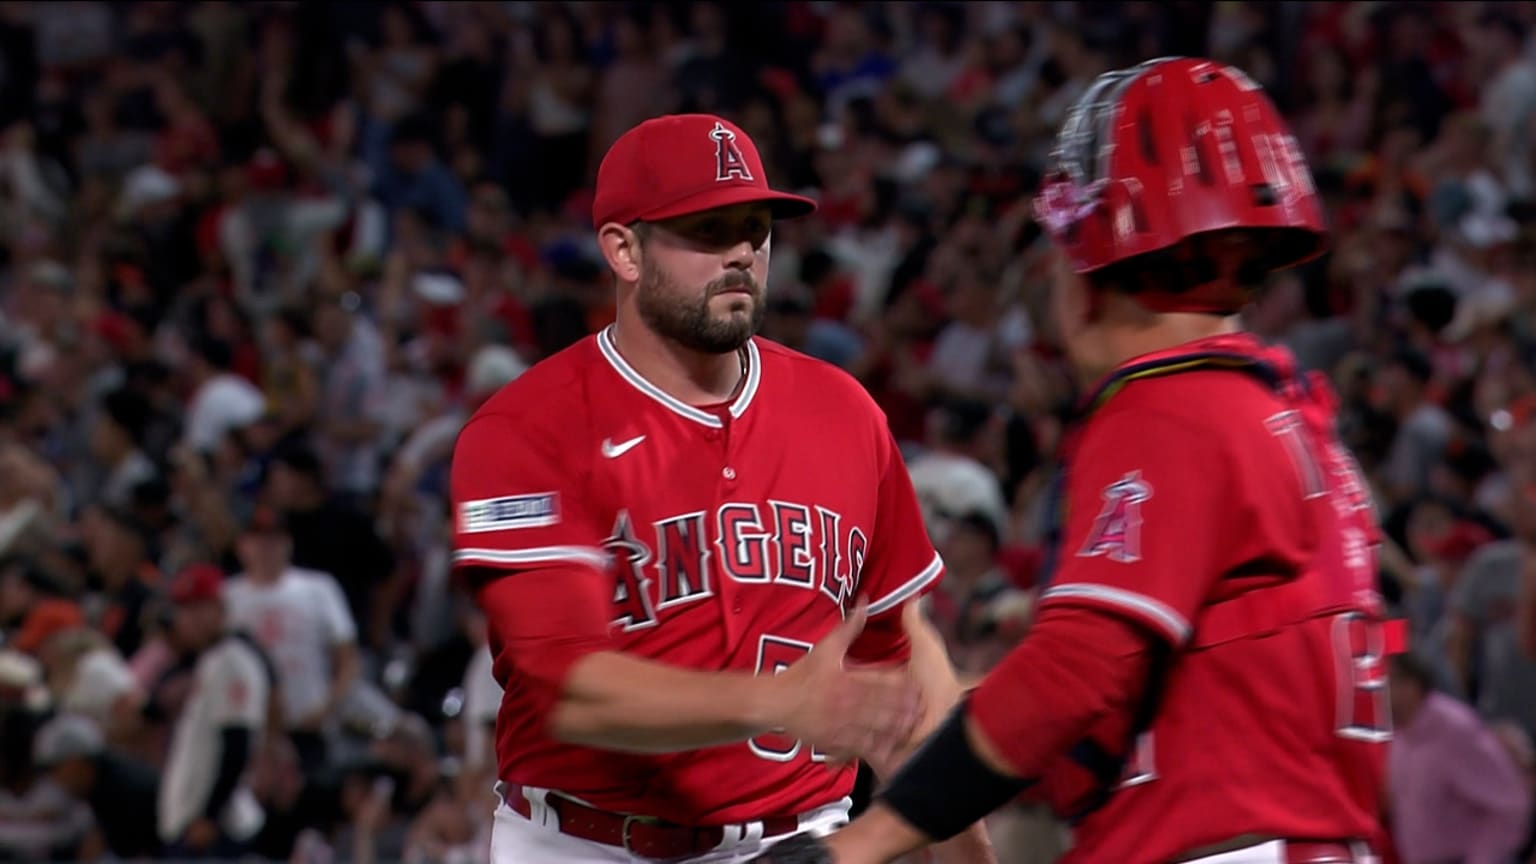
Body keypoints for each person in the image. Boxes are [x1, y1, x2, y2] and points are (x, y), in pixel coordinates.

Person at [750, 56, 1394, 864]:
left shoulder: (1172, 409)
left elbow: (1075, 673)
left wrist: (854, 848)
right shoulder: (1290, 413)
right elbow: (1166, 679)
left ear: (1087, 260)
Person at [449, 113, 993, 863]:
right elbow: (570, 690)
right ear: (624, 250)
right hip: (591, 845)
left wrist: (972, 857)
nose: (742, 251)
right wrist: (778, 703)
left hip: (806, 840)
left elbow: (901, 662)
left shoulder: (844, 412)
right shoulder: (525, 429)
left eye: (756, 228)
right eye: (707, 230)